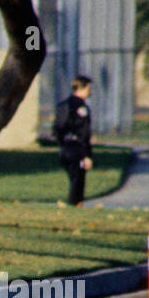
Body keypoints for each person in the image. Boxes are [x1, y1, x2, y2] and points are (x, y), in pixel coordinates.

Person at [54, 76, 93, 207]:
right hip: (77, 149)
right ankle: (74, 205)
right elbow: (84, 133)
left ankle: (74, 204)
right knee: (78, 180)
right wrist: (86, 155)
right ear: (81, 88)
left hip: (65, 148)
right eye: (88, 88)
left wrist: (62, 144)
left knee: (73, 178)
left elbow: (57, 128)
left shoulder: (63, 105)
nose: (90, 91)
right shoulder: (81, 107)